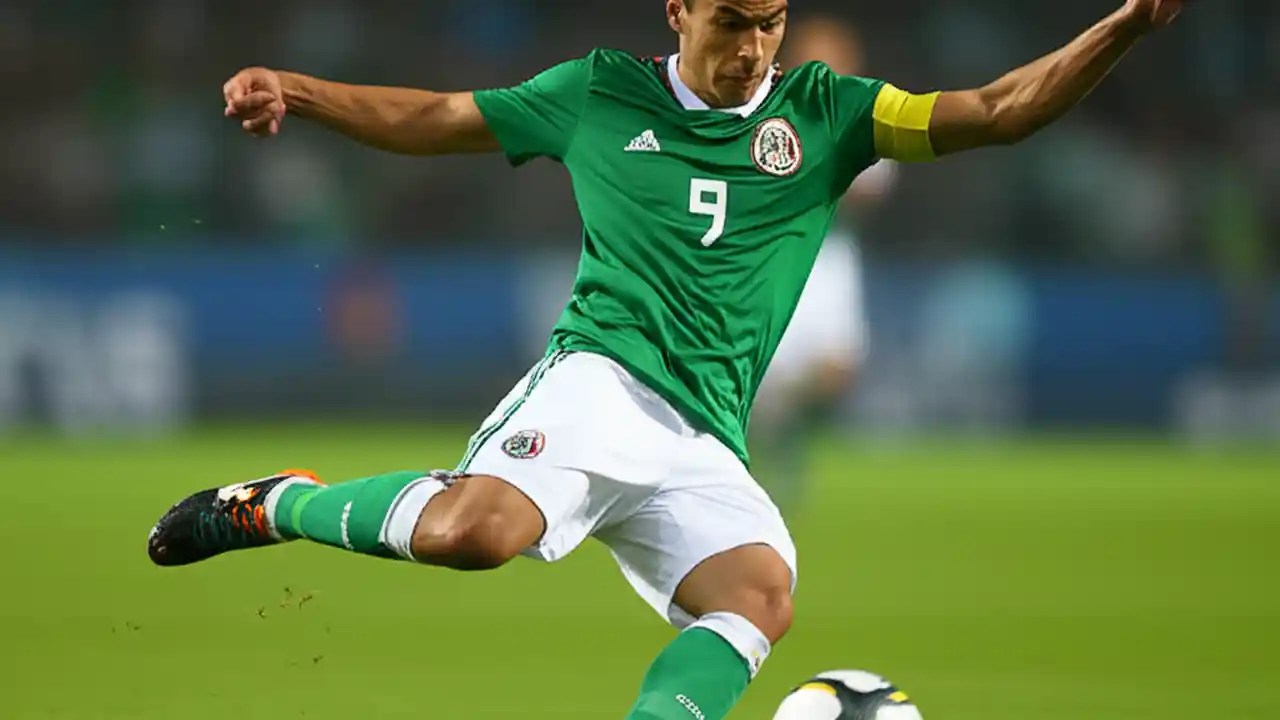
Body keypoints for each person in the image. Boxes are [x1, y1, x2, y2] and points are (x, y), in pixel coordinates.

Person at [147, 2, 1185, 718]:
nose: (751, 46)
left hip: (703, 431)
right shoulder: (598, 94)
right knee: (474, 534)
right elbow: (439, 117)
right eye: (729, 19)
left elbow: (1000, 111)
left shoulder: (830, 113)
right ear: (676, 13)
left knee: (758, 592)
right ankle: (278, 501)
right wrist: (298, 89)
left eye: (768, 22)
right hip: (602, 376)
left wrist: (1127, 26)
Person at [751, 13, 896, 512]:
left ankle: (777, 431)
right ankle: (765, 457)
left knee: (837, 372)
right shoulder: (770, 111)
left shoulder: (860, 110)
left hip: (834, 258)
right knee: (772, 370)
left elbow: (875, 187)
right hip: (781, 254)